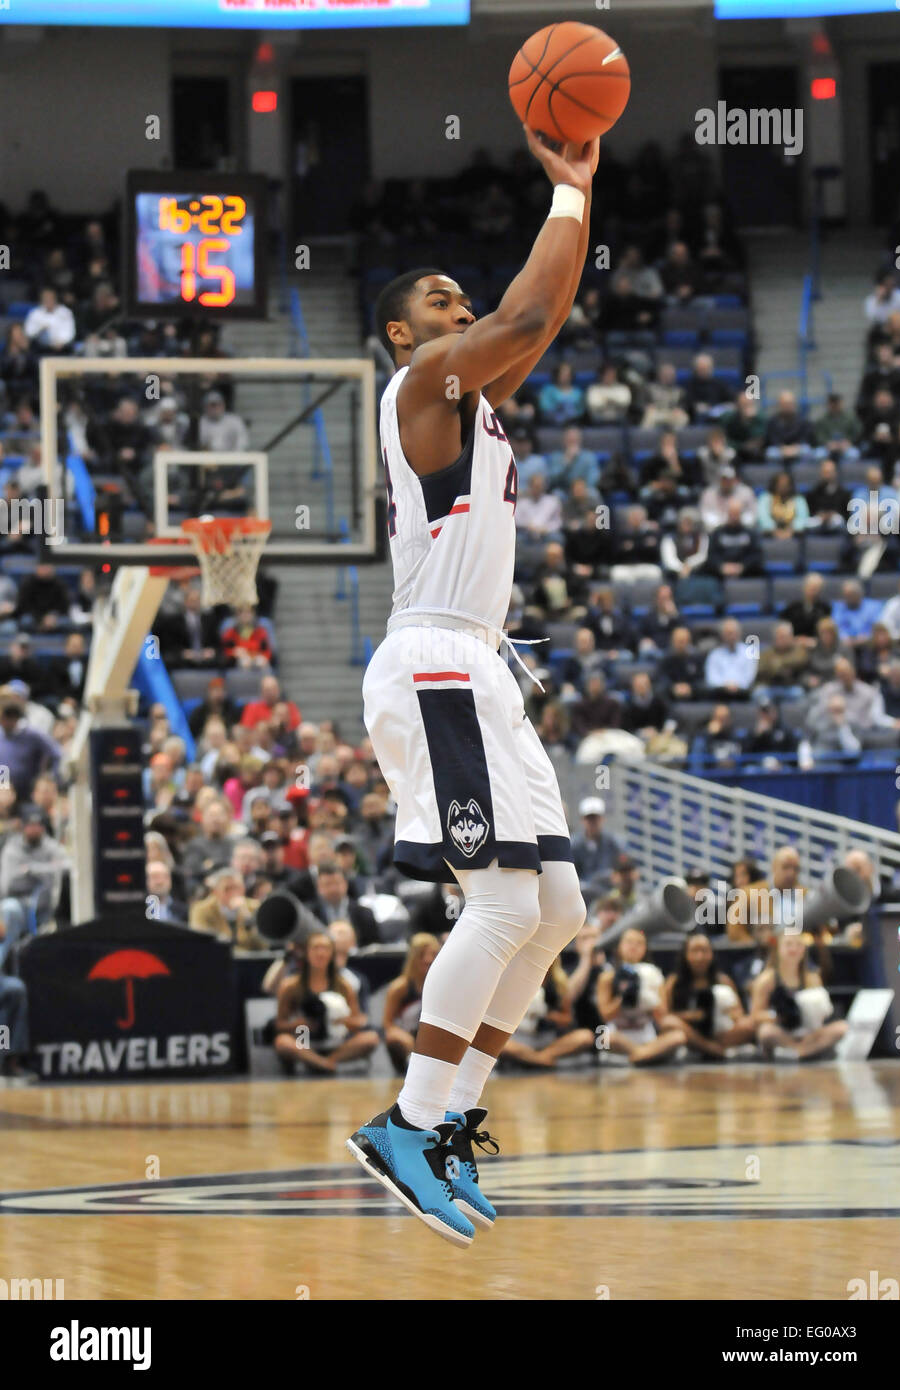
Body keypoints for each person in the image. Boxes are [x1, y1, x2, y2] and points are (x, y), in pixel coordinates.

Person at [347, 129, 593, 1245]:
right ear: (403, 333)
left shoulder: (474, 400)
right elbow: (527, 315)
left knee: (555, 910)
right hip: (436, 658)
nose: (462, 305)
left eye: (464, 296)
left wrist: (577, 196)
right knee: (498, 904)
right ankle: (403, 1123)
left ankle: (447, 1122)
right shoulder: (418, 385)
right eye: (440, 299)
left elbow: (542, 314)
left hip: (481, 662)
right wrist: (564, 191)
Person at [273, 930, 379, 1075]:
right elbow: (279, 1024)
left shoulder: (343, 985)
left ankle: (324, 1062)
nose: (320, 953)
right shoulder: (291, 986)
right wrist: (299, 1023)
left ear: (332, 954)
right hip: (304, 1040)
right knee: (283, 1042)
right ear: (306, 953)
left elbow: (358, 1020)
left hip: (336, 1041)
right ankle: (322, 1063)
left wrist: (342, 1020)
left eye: (325, 948)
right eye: (315, 948)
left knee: (371, 1038)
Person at [592, 926, 686, 1065]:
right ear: (619, 947)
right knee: (605, 1038)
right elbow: (605, 1016)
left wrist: (647, 996)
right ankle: (644, 1055)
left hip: (646, 1036)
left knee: (679, 1037)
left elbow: (662, 1016)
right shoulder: (607, 977)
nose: (634, 946)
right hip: (618, 1036)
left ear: (645, 948)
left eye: (639, 943)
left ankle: (638, 1055)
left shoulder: (654, 975)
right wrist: (624, 996)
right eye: (629, 942)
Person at [750, 933, 847, 1060]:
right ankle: (800, 1050)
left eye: (799, 945)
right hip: (782, 1030)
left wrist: (817, 1013)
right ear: (778, 948)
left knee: (841, 1027)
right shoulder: (767, 979)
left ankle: (800, 1052)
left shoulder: (812, 977)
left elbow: (823, 1011)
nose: (794, 949)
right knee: (766, 1032)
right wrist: (779, 1017)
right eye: (789, 944)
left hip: (808, 1031)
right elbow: (755, 1016)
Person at [664, 934, 755, 1059]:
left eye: (704, 951)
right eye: (695, 951)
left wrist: (727, 1013)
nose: (700, 957)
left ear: (712, 954)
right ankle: (710, 1049)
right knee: (669, 1023)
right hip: (688, 1033)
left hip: (719, 1033)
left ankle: (709, 1048)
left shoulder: (723, 980)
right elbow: (665, 1016)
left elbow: (739, 1014)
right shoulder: (673, 982)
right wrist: (691, 1016)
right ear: (685, 954)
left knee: (748, 1024)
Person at [383, 934, 441, 1075]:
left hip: (431, 1038)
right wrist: (405, 1039)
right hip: (407, 1038)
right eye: (422, 955)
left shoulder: (442, 986)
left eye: (433, 955)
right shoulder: (400, 987)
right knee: (393, 1040)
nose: (428, 959)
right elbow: (387, 1024)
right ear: (413, 958)